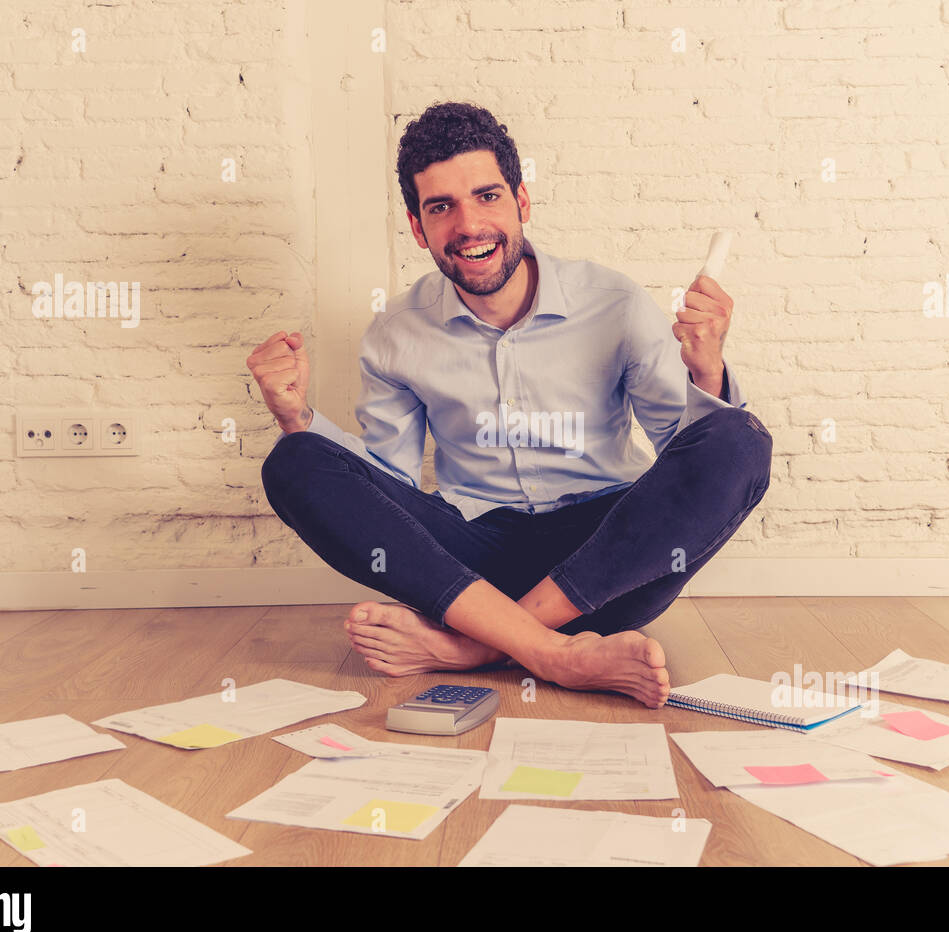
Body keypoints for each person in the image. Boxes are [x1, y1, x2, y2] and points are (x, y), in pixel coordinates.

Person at [248, 102, 772, 708]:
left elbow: (686, 455)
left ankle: (474, 648)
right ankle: (555, 651)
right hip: (473, 559)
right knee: (294, 461)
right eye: (441, 207)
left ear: (521, 202)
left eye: (487, 196)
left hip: (609, 557)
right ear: (419, 229)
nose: (469, 225)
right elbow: (386, 485)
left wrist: (707, 369)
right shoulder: (396, 331)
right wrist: (296, 419)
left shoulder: (614, 303)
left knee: (739, 438)